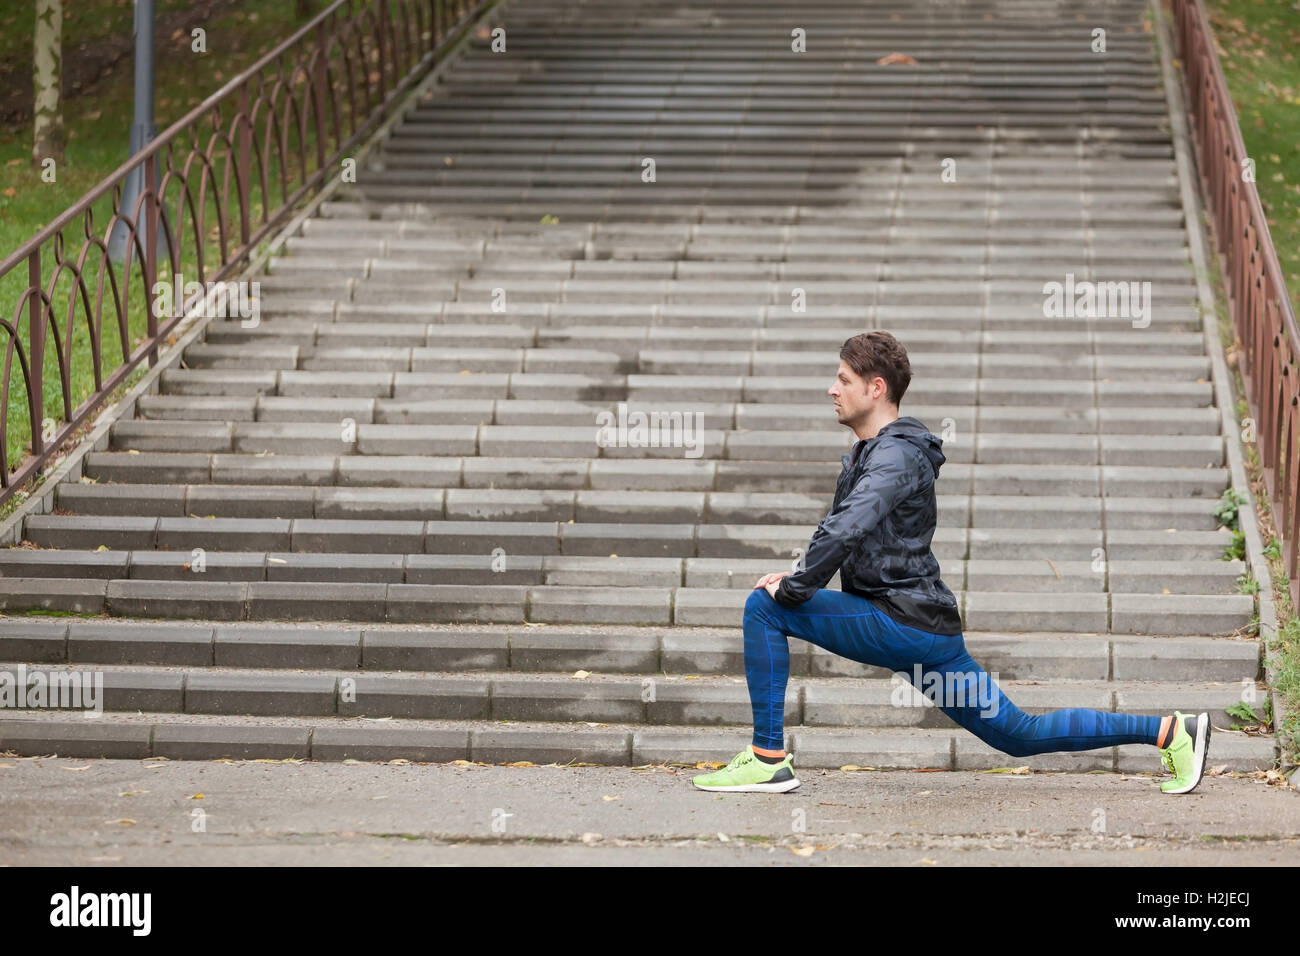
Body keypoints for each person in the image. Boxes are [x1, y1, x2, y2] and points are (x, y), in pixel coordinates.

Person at [692, 330, 1211, 794]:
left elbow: (847, 526)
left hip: (897, 621)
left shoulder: (893, 455)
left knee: (763, 608)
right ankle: (1170, 732)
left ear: (876, 388)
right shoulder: (873, 452)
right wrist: (799, 578)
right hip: (925, 629)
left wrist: (794, 587)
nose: (833, 388)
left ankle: (766, 758)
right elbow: (844, 527)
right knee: (1017, 735)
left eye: (843, 379)